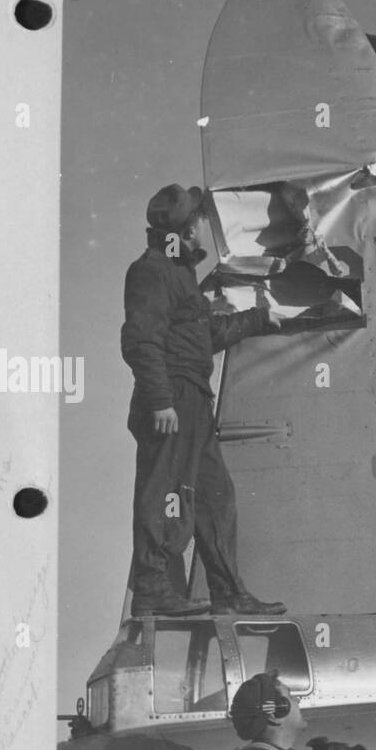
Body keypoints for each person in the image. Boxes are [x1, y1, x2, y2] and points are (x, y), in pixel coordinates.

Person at [122, 183, 287, 617]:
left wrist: (257, 319)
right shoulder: (153, 271)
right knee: (168, 492)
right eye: (200, 218)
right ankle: (153, 589)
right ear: (187, 229)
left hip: (192, 396)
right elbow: (140, 340)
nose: (205, 224)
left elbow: (202, 338)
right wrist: (161, 401)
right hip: (172, 397)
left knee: (215, 496)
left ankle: (229, 594)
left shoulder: (179, 275)